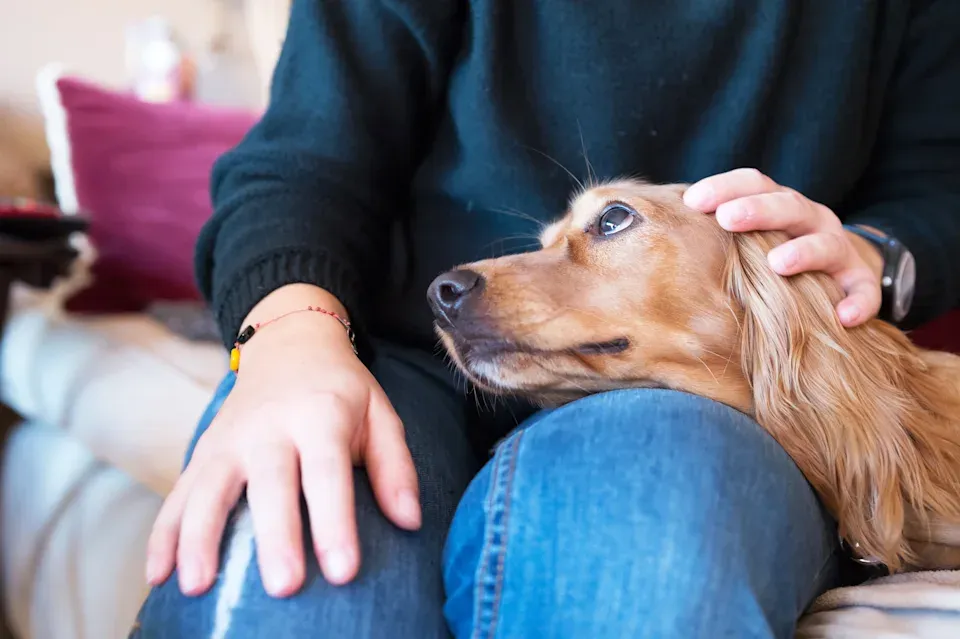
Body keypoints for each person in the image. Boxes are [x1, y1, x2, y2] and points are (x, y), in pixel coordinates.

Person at [130, 1, 960, 637]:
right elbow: (302, 161)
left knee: (642, 536)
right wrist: (290, 340)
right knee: (294, 581)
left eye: (609, 225)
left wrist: (871, 255)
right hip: (384, 358)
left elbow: (939, 185)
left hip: (707, 401)